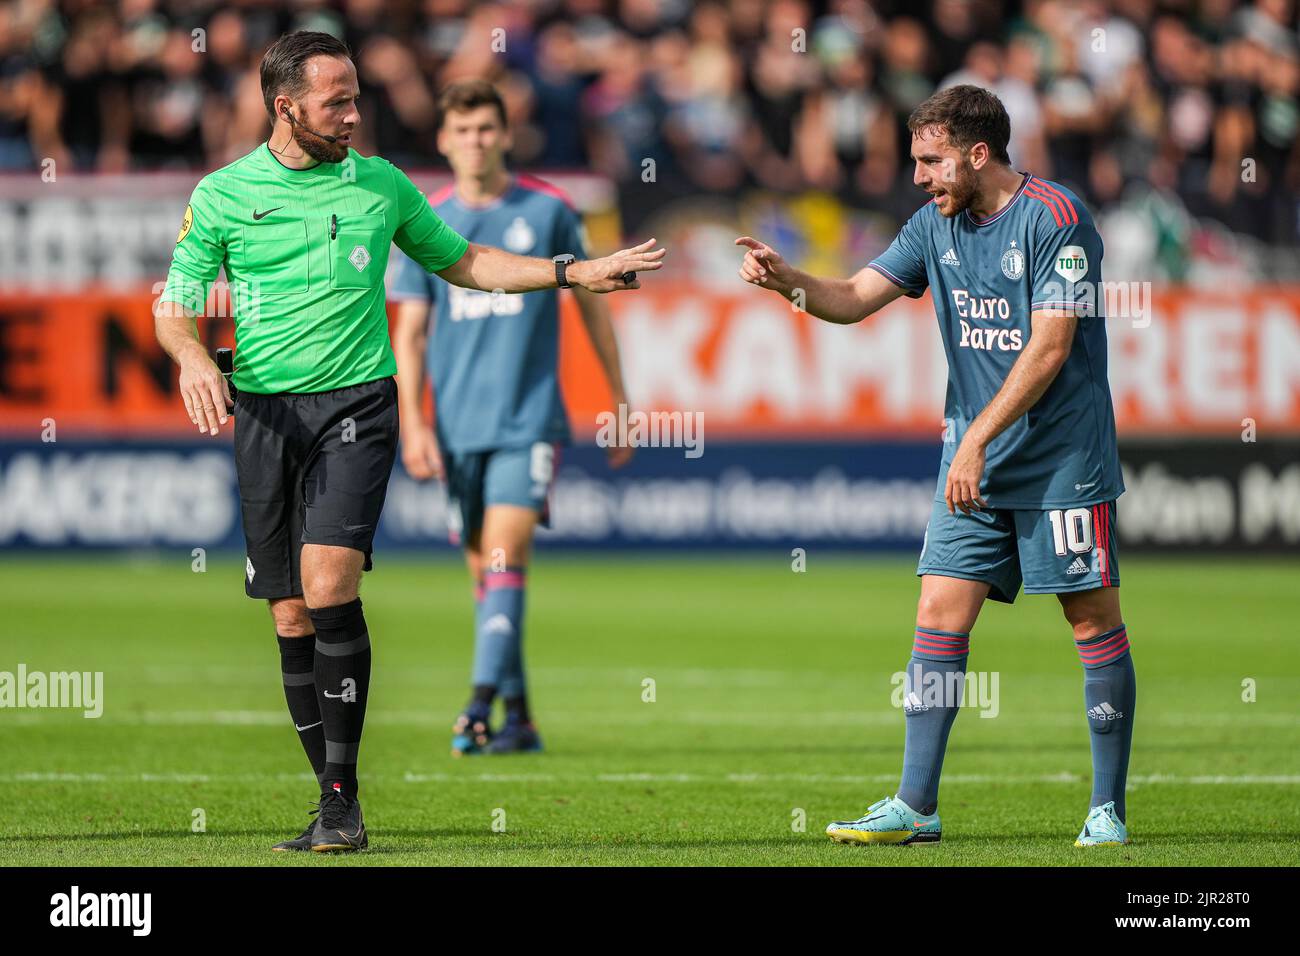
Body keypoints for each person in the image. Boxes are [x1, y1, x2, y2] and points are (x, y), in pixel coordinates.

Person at [154, 31, 664, 853]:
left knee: (327, 586)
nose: (355, 114)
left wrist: (571, 273)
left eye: (358, 96)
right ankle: (329, 799)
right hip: (263, 417)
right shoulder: (221, 194)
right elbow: (174, 304)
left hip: (358, 405)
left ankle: (344, 800)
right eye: (337, 102)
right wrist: (189, 360)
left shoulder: (381, 186)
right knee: (288, 614)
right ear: (285, 107)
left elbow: (467, 264)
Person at [735, 85, 1133, 848]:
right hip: (974, 464)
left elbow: (1049, 347)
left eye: (931, 160)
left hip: (1062, 465)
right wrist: (789, 280)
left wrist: (977, 436)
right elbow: (852, 298)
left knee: (1091, 620)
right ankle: (916, 806)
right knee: (936, 617)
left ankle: (1106, 809)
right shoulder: (930, 226)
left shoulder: (1058, 220)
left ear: (978, 154)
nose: (918, 175)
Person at [389, 80, 633, 757]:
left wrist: (617, 396)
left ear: (505, 135)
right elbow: (408, 334)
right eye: (462, 130)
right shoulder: (424, 221)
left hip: (528, 421)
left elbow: (590, 300)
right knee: (485, 575)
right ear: (443, 140)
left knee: (504, 555)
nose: (475, 141)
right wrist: (413, 423)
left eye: (486, 129)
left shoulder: (549, 210)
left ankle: (476, 708)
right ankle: (520, 718)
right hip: (456, 427)